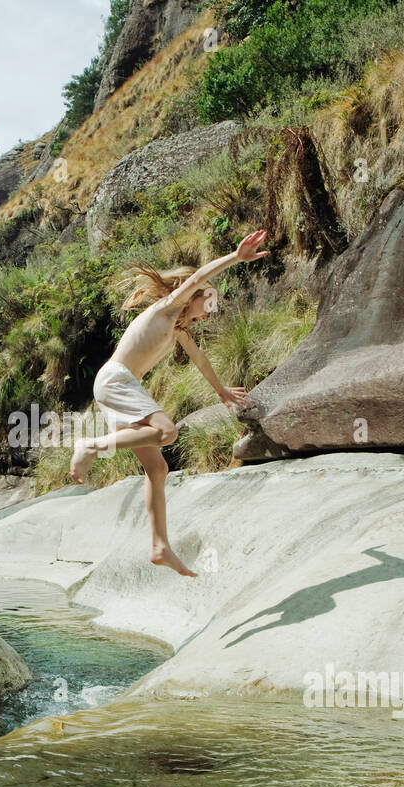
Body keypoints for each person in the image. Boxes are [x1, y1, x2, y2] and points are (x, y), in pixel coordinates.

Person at [69, 230, 269, 576]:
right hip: (116, 379)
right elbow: (197, 277)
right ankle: (93, 446)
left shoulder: (178, 329)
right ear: (192, 297)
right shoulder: (166, 307)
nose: (207, 313)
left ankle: (160, 546)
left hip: (117, 387)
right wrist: (236, 257)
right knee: (167, 431)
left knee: (158, 469)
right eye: (206, 304)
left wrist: (221, 389)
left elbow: (200, 359)